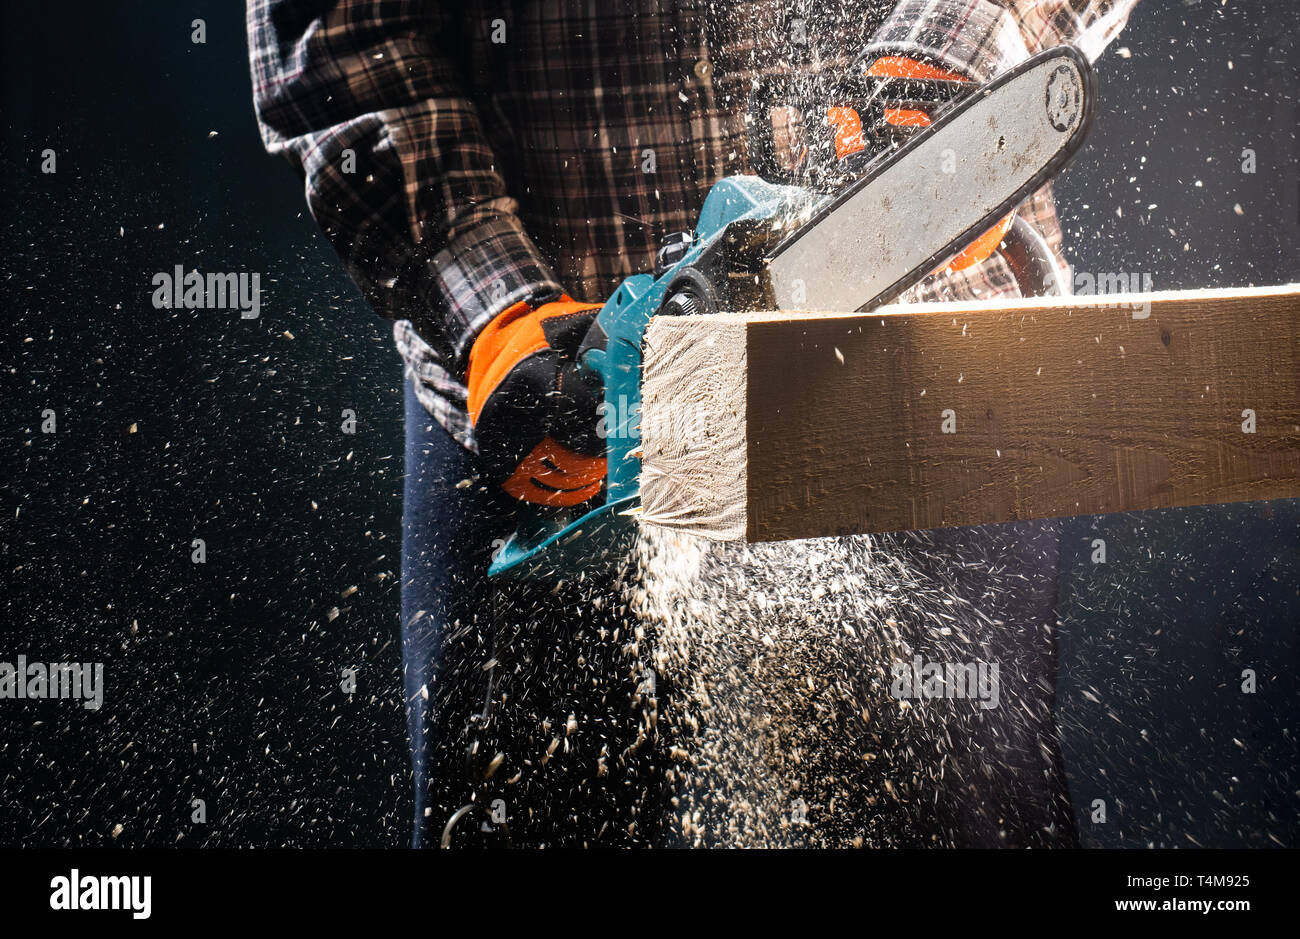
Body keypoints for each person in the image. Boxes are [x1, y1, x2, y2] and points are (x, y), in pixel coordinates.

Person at [246, 0, 1139, 847]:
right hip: (547, 381)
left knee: (963, 808)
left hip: (921, 355)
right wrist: (489, 305)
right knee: (522, 812)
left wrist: (951, 59)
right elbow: (340, 39)